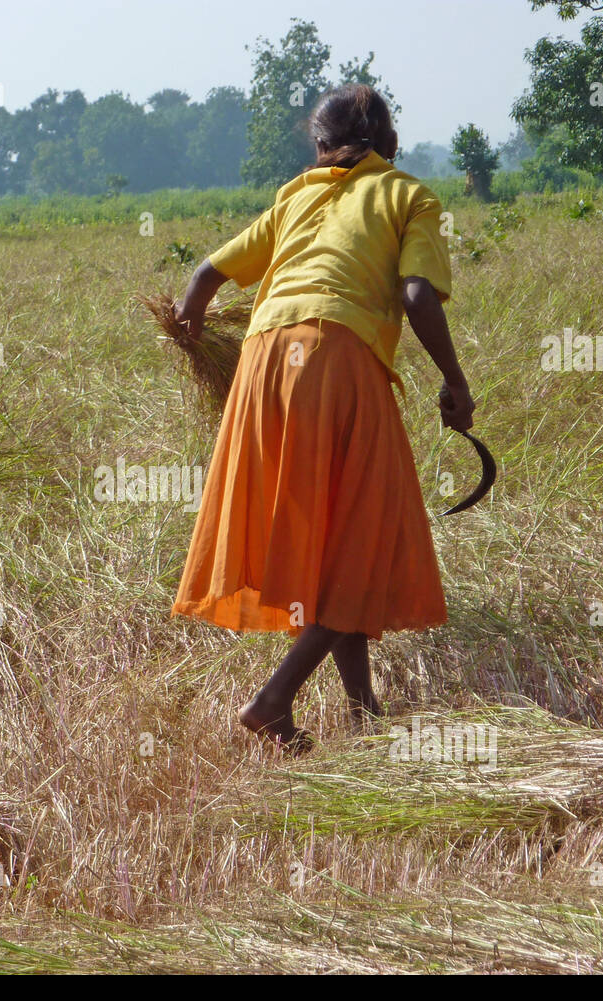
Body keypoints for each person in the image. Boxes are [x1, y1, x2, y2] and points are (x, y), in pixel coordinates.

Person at [171, 84, 476, 752]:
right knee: (366, 544)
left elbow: (203, 276)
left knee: (340, 539)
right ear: (390, 147)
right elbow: (418, 293)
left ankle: (364, 707)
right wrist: (455, 382)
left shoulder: (294, 193)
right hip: (339, 360)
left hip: (260, 365)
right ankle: (273, 700)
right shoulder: (407, 194)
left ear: (320, 149)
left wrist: (192, 327)